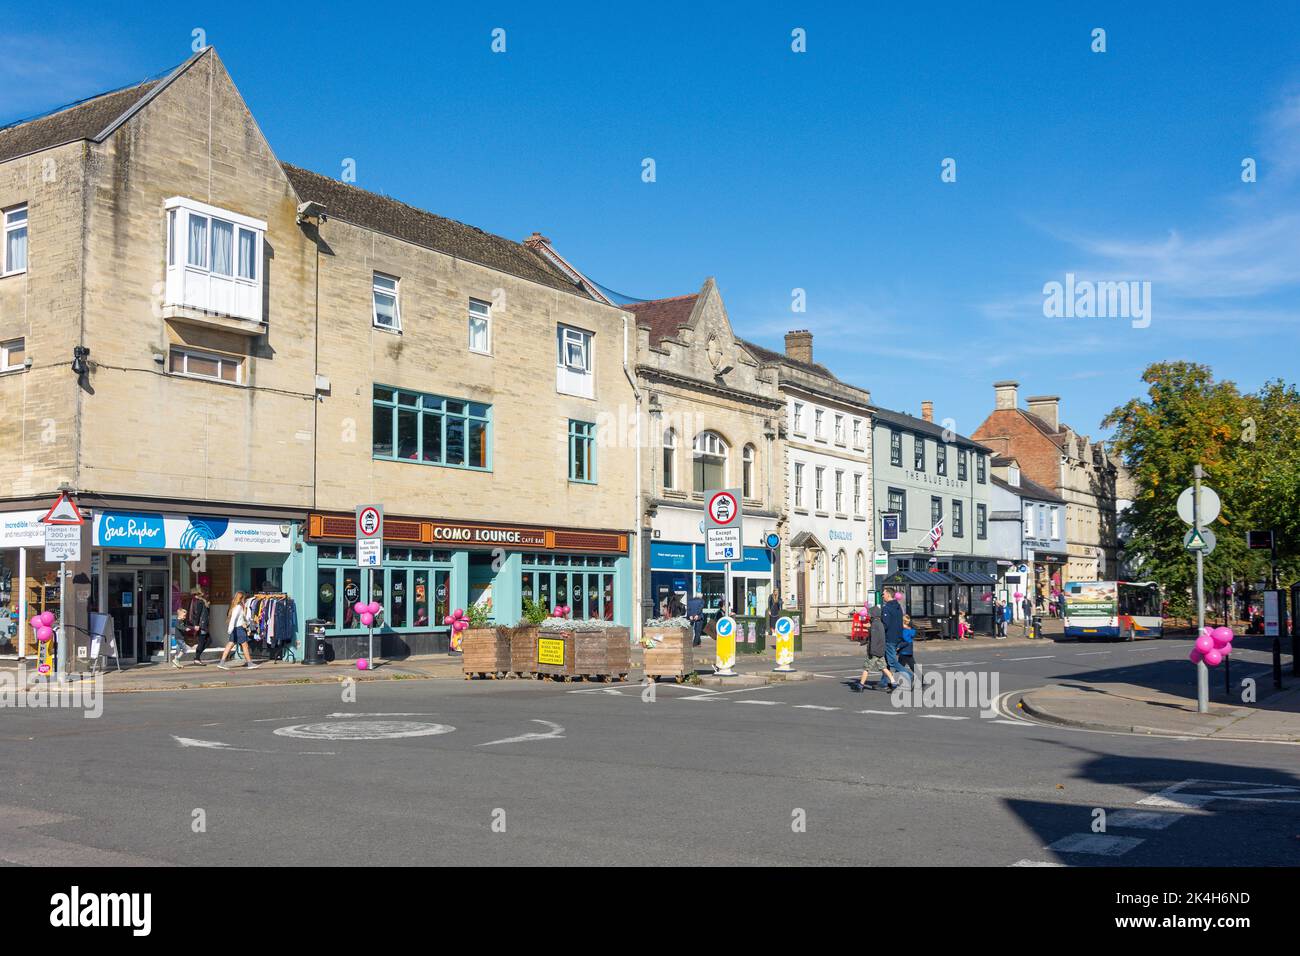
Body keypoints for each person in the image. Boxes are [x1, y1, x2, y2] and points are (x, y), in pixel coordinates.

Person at [217, 591, 261, 670]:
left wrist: (245, 623)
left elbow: (240, 618)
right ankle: (249, 663)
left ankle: (222, 662)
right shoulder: (239, 607)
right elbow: (234, 618)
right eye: (244, 598)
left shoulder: (237, 606)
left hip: (237, 628)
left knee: (230, 644)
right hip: (238, 629)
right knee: (244, 645)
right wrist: (230, 629)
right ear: (242, 598)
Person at [188, 588, 211, 666]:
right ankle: (197, 658)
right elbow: (197, 614)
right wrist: (197, 624)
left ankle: (197, 656)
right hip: (202, 625)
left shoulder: (200, 601)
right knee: (203, 641)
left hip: (202, 624)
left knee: (208, 640)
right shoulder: (200, 602)